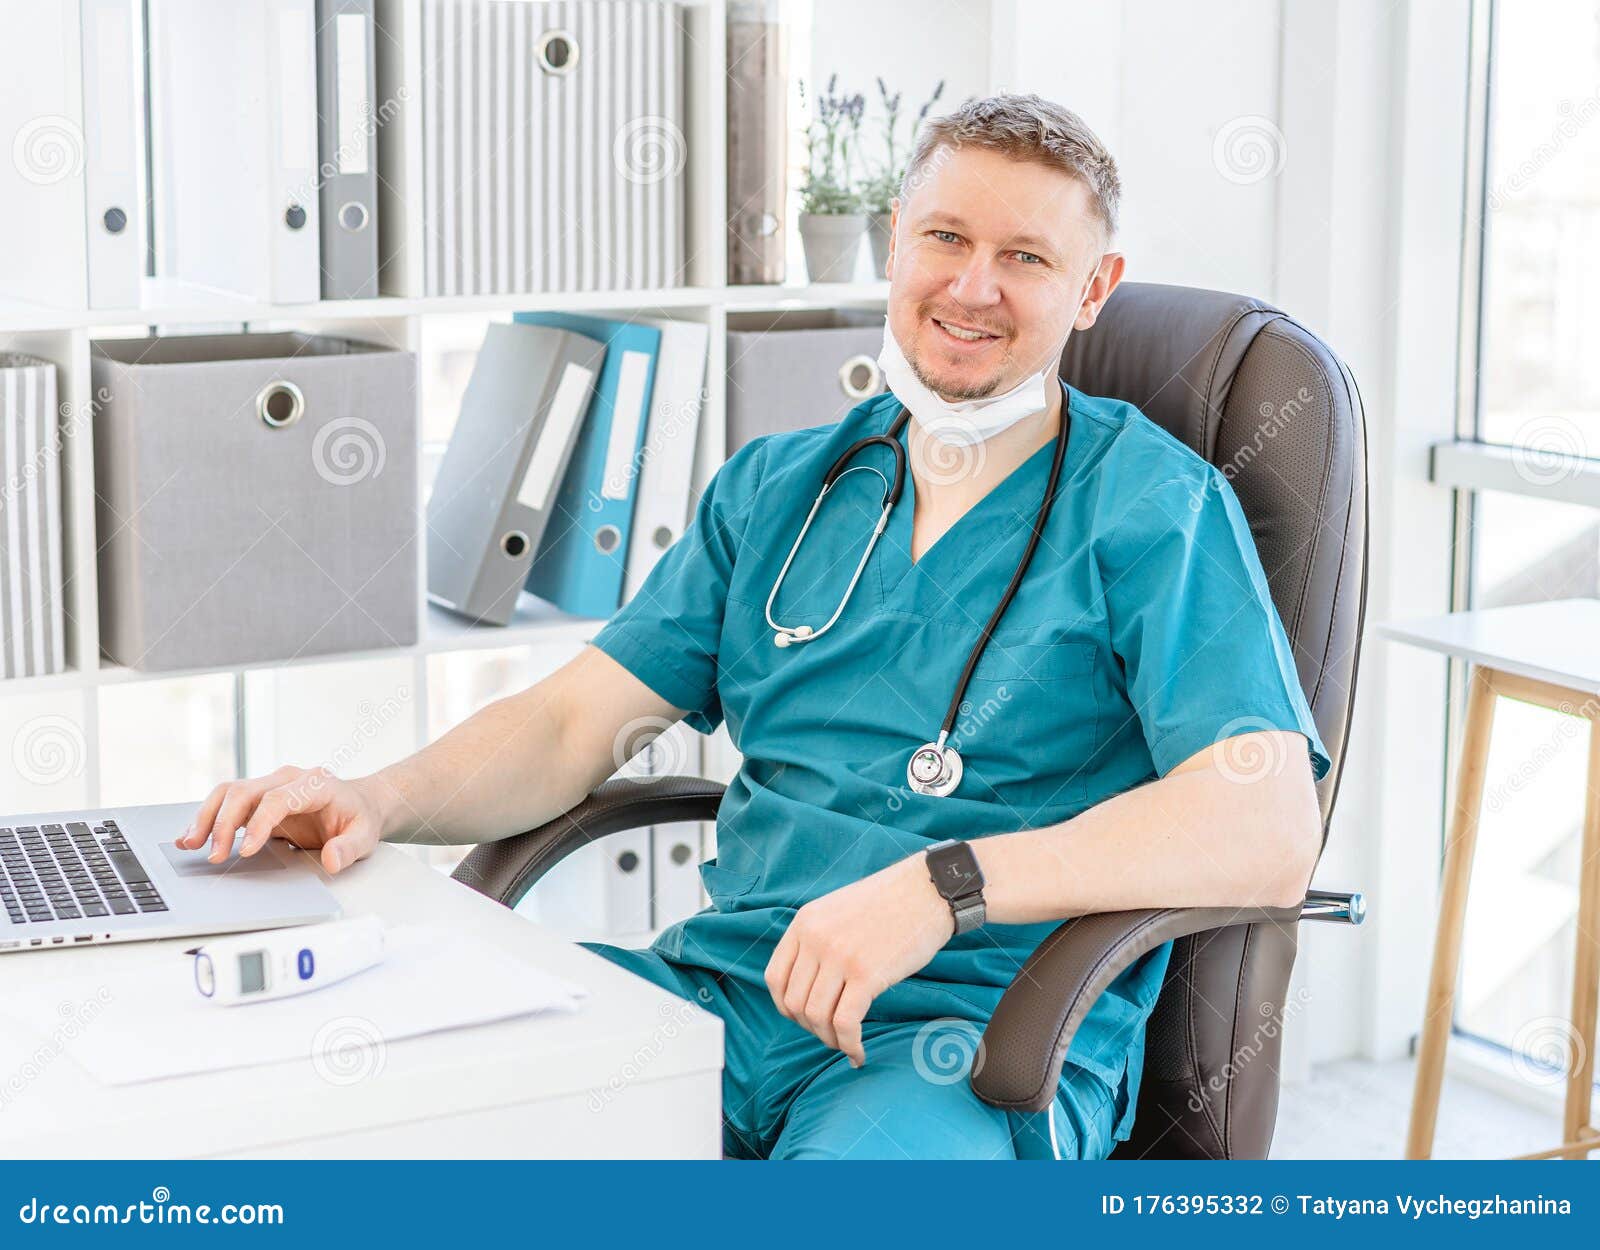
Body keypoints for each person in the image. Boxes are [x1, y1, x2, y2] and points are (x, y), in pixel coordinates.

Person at [180, 93, 1331, 1160]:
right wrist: (375, 796)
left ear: (1092, 288)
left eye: (1025, 257)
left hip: (967, 1044)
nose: (972, 286)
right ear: (894, 242)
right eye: (945, 237)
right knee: (386, 1116)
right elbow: (572, 724)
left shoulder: (1154, 508)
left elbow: (1267, 820)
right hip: (722, 996)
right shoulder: (780, 486)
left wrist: (945, 883)